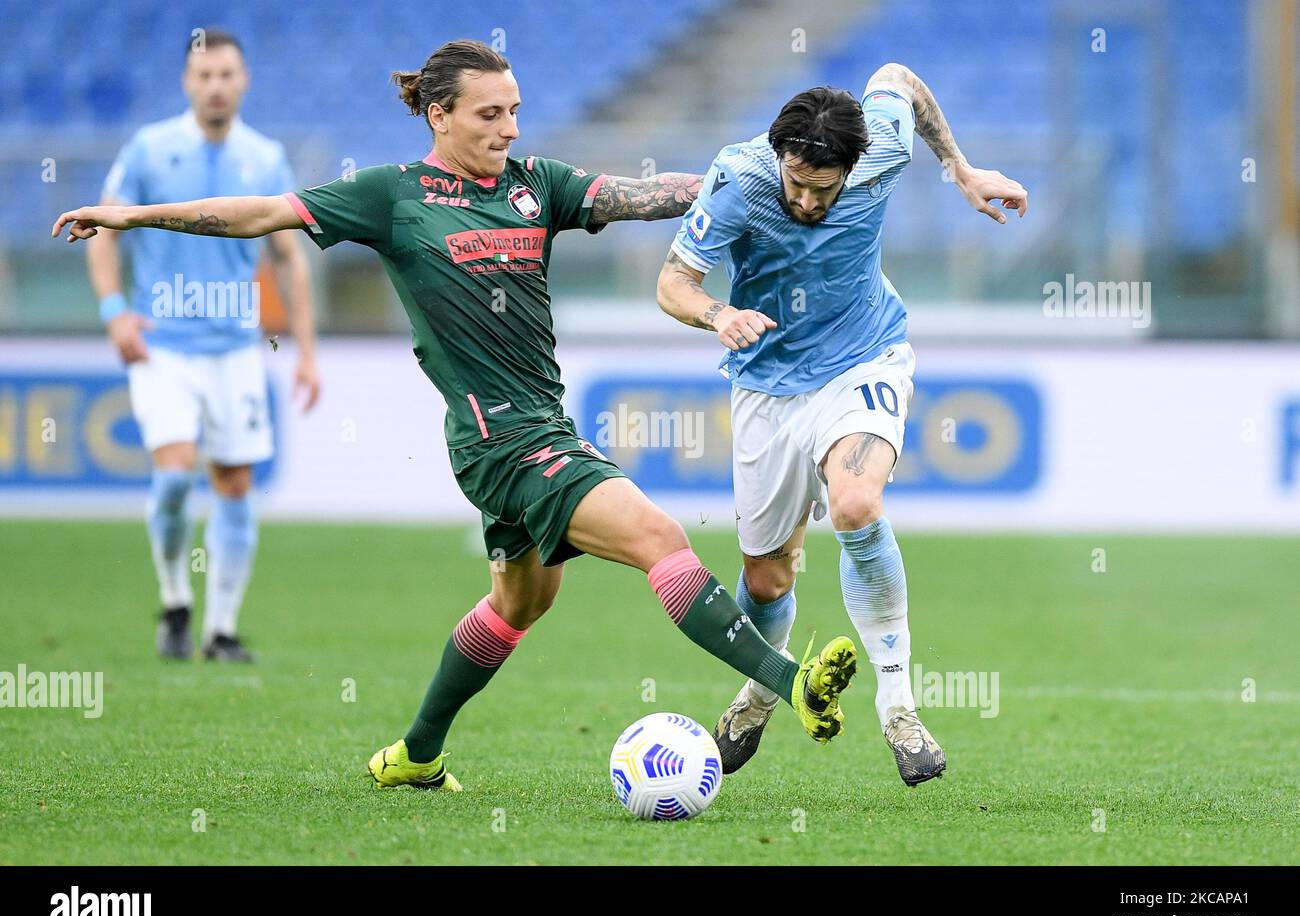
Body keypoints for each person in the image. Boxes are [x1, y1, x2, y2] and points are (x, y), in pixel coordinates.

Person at [55, 40, 858, 791]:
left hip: (540, 424)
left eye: (514, 112)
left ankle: (416, 754)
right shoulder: (392, 197)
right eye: (489, 114)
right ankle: (794, 684)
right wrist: (130, 217)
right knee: (660, 539)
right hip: (498, 439)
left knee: (520, 605)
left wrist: (743, 182)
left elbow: (642, 196)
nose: (508, 129)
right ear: (439, 114)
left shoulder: (535, 184)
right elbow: (259, 214)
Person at [656, 64, 1028, 786]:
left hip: (864, 359)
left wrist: (961, 168)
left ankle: (899, 707)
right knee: (766, 578)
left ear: (852, 167)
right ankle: (762, 690)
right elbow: (674, 282)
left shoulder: (883, 143)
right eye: (794, 182)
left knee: (857, 503)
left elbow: (899, 79)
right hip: (766, 382)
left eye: (820, 189)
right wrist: (718, 314)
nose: (803, 199)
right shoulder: (738, 179)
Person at [88, 28, 320, 663]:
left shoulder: (266, 157)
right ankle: (173, 600)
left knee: (235, 482)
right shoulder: (148, 148)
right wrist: (115, 315)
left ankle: (220, 629)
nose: (216, 86)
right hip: (162, 344)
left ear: (242, 81)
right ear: (187, 84)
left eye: (226, 75)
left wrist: (304, 349)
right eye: (204, 76)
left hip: (236, 349)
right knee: (172, 475)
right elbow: (105, 234)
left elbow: (288, 258)